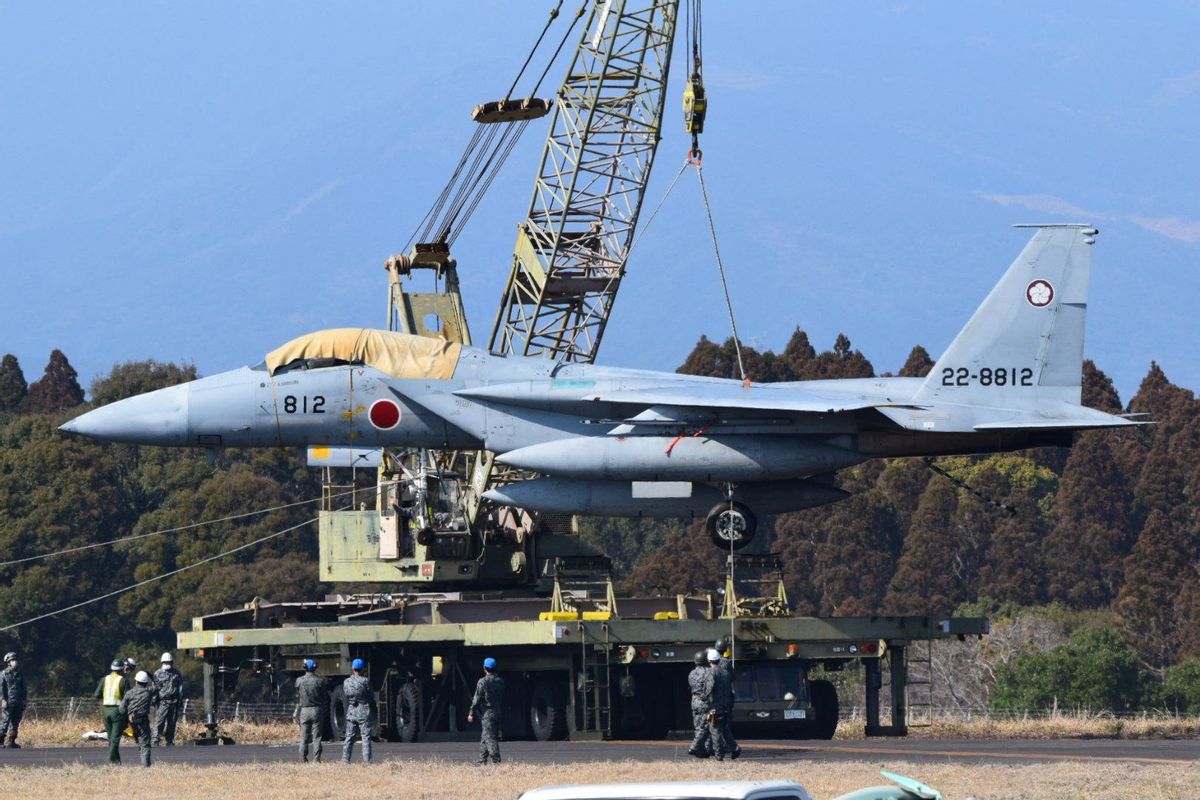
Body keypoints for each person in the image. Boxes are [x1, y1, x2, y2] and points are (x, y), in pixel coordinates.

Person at [467, 656, 504, 765]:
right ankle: (482, 761)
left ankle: (496, 762)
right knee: (485, 736)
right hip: (497, 711)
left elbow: (476, 698)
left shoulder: (482, 682)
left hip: (487, 712)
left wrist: (471, 712)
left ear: (484, 668)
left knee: (490, 738)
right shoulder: (500, 681)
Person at [704, 648, 740, 761]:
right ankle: (735, 748)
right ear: (719, 660)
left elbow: (709, 689)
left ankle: (719, 755)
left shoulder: (710, 673)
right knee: (725, 729)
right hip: (725, 706)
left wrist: (703, 698)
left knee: (715, 731)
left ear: (709, 660)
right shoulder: (725, 673)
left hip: (715, 707)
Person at [94, 659, 131, 764]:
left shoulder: (104, 679)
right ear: (121, 669)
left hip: (105, 710)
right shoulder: (123, 680)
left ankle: (117, 761)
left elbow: (97, 695)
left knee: (111, 738)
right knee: (115, 738)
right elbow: (128, 697)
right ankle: (110, 761)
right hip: (118, 711)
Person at [119, 671, 158, 767]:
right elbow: (158, 686)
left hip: (131, 723)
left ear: (136, 681)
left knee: (139, 741)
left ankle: (132, 736)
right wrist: (152, 676)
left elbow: (121, 709)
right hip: (142, 721)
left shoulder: (129, 693)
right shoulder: (148, 692)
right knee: (145, 744)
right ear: (145, 683)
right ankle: (145, 765)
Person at [294, 659, 328, 763]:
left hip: (304, 710)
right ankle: (316, 759)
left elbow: (297, 694)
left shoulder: (299, 681)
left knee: (304, 736)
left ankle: (302, 758)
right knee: (317, 737)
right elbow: (324, 696)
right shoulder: (320, 681)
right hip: (316, 709)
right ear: (315, 667)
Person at [341, 659, 372, 764]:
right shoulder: (365, 681)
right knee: (365, 736)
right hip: (363, 710)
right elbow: (370, 695)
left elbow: (346, 694)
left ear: (353, 668)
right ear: (363, 668)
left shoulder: (346, 682)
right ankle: (366, 760)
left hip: (351, 711)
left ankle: (345, 759)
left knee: (349, 737)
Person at [152, 652, 184, 747]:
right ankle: (155, 740)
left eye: (169, 662)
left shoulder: (176, 673)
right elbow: (154, 689)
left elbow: (180, 687)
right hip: (163, 702)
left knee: (172, 723)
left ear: (172, 662)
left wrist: (180, 699)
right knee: (159, 722)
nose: (167, 663)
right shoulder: (157, 674)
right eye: (165, 662)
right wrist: (154, 700)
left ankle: (169, 740)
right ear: (162, 662)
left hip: (174, 701)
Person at [686, 650, 712, 758]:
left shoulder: (691, 673)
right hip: (705, 702)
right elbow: (711, 687)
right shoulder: (708, 672)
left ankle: (704, 750)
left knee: (698, 726)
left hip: (695, 701)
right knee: (705, 726)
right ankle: (694, 746)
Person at [0, 652, 26, 748]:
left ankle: (12, 741)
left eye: (14, 659)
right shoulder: (3, 674)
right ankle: (0, 741)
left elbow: (24, 688)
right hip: (8, 702)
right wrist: (3, 700)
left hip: (18, 701)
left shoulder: (20, 674)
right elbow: (1, 688)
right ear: (8, 662)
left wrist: (24, 700)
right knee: (5, 721)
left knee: (15, 722)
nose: (14, 661)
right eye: (11, 660)